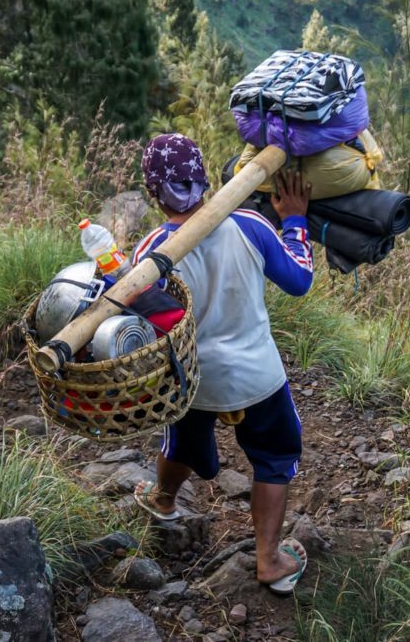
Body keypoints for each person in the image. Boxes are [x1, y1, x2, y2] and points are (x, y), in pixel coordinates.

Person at [131, 133, 314, 594]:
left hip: (194, 382)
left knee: (182, 442)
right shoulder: (250, 226)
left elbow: (143, 325)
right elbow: (299, 279)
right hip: (259, 377)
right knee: (275, 458)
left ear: (154, 192)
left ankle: (164, 499)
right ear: (207, 179)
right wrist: (295, 222)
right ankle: (270, 561)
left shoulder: (151, 255)